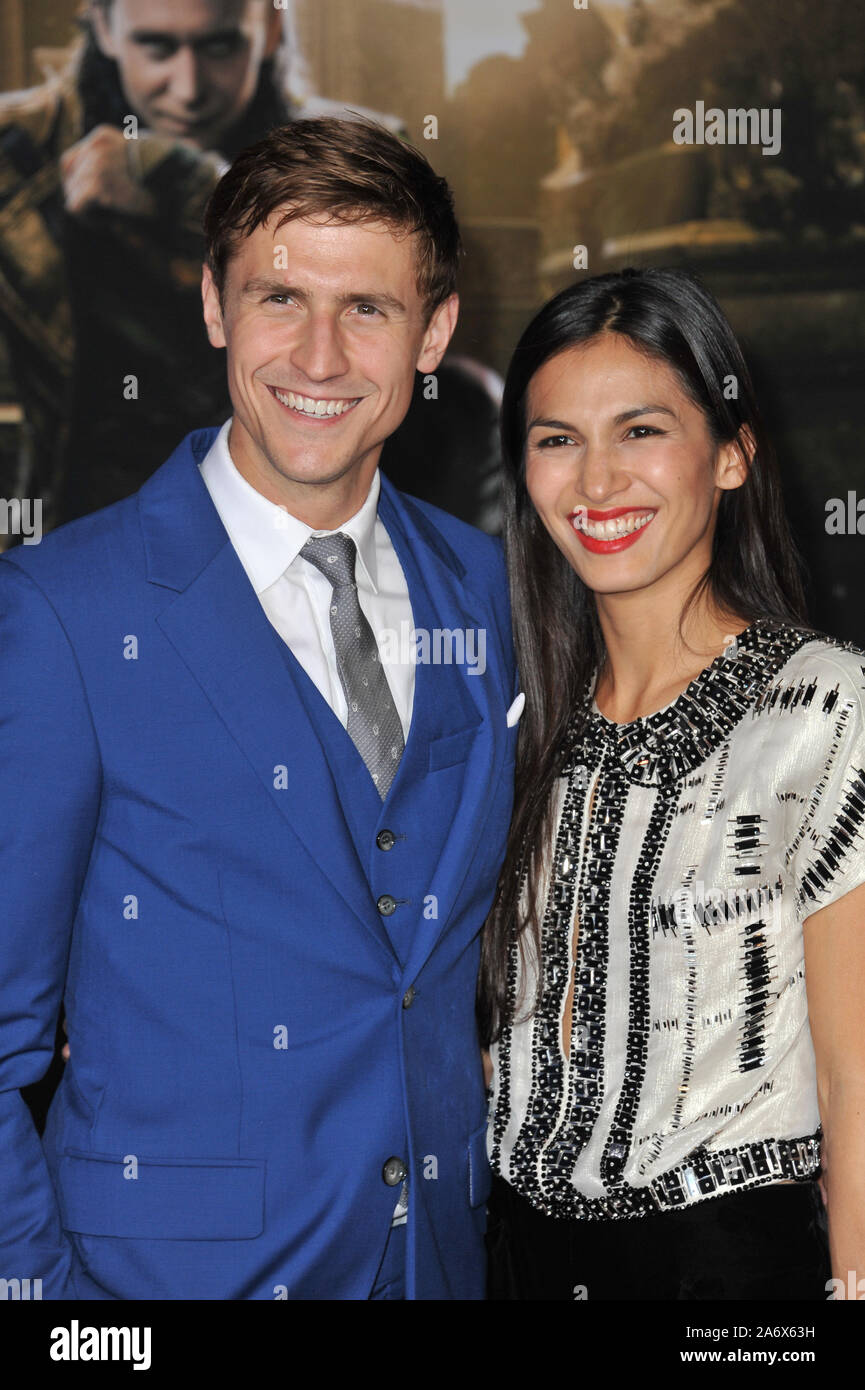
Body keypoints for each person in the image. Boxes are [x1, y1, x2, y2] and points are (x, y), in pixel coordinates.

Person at [0, 116, 519, 1301]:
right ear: (214, 308)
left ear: (434, 331)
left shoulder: (494, 593)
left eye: (369, 310)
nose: (321, 356)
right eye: (280, 298)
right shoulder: (62, 612)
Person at [480, 267, 865, 1300]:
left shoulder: (823, 707)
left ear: (732, 455)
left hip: (725, 1271)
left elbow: (856, 1082)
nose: (596, 483)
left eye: (640, 430)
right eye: (556, 439)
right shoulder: (515, 719)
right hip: (512, 1256)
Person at [0, 0, 501, 538]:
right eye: (157, 46)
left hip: (302, 528)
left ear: (270, 29)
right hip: (74, 526)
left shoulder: (368, 148)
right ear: (102, 26)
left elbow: (428, 333)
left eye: (219, 46)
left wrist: (191, 186)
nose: (188, 87)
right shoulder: (14, 152)